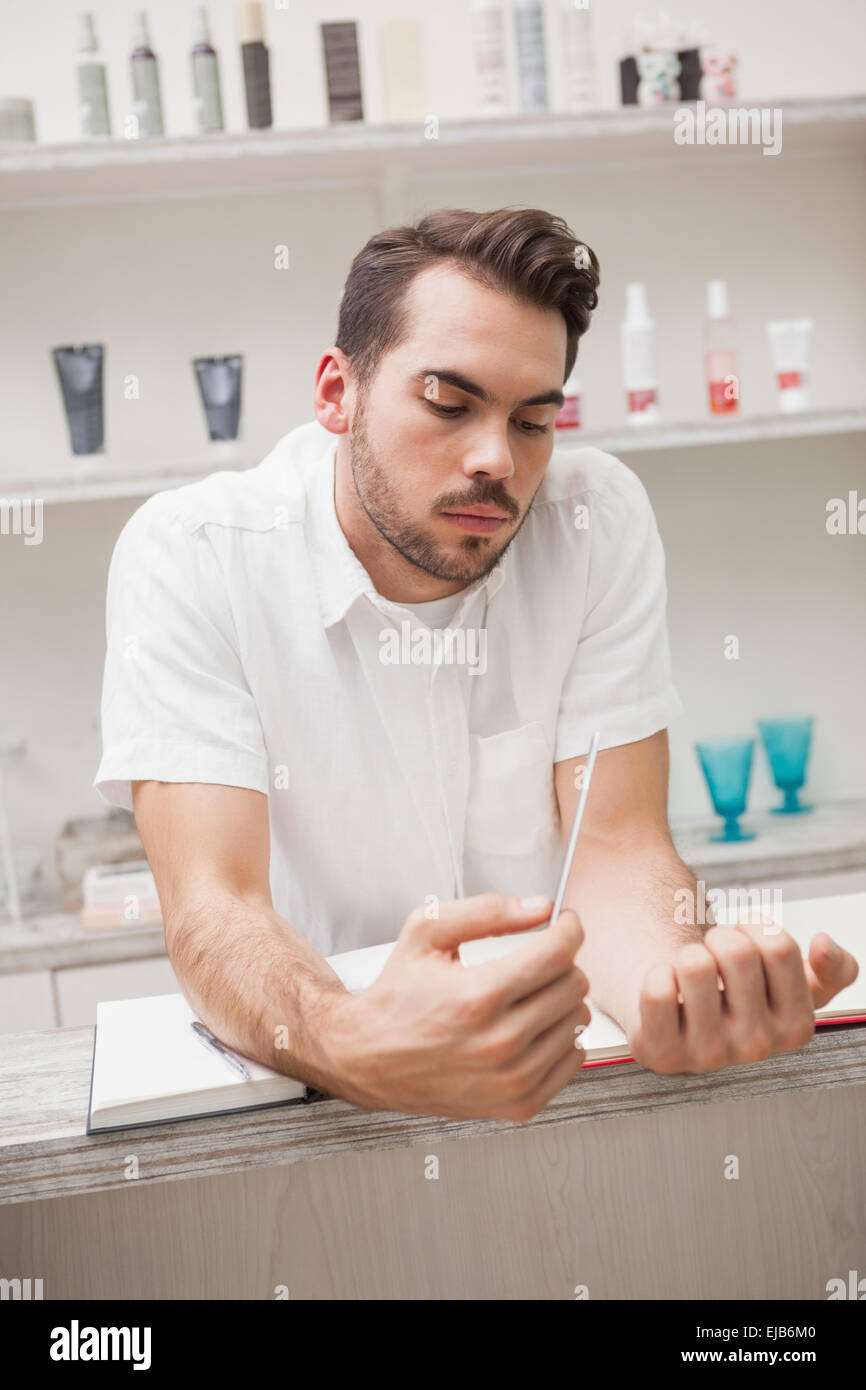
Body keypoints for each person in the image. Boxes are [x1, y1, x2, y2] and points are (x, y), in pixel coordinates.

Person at [95, 207, 857, 1122]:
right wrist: (354, 1042)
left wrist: (667, 991)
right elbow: (214, 907)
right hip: (322, 1112)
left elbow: (614, 847)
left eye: (534, 422)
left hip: (553, 1089)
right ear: (337, 392)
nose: (496, 459)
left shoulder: (594, 521)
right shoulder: (195, 554)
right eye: (449, 406)